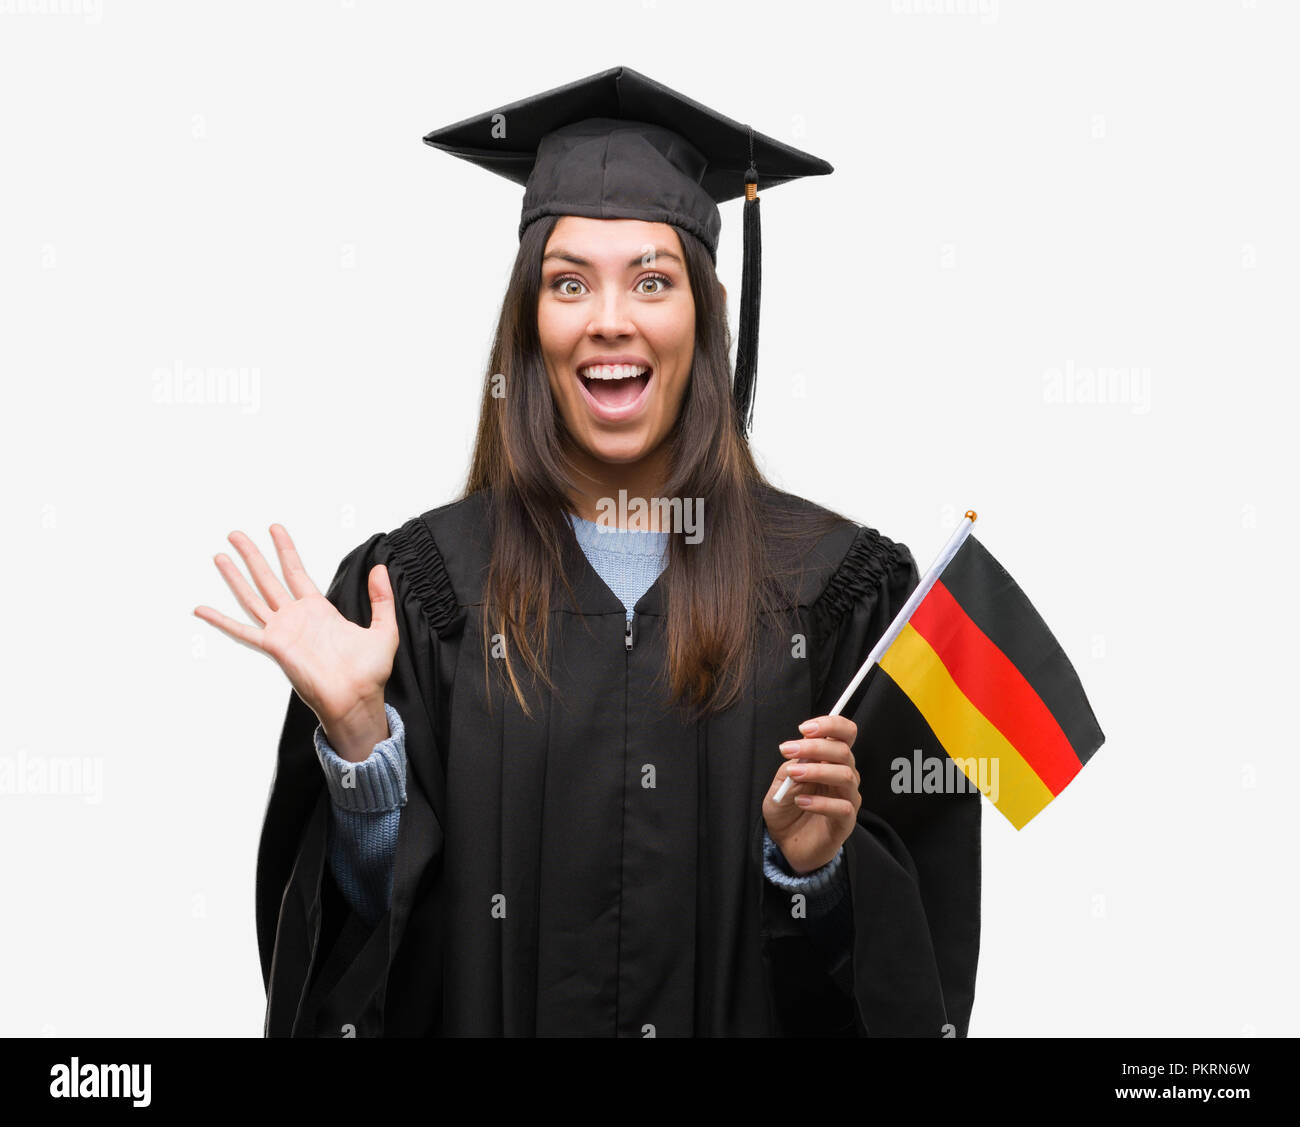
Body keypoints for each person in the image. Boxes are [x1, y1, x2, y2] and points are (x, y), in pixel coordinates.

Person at [194, 66, 980, 1037]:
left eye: (651, 279)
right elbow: (360, 970)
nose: (609, 316)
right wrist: (364, 748)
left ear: (706, 310)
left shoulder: (836, 595)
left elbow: (921, 968)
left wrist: (812, 872)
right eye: (570, 282)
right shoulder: (417, 596)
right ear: (531, 318)